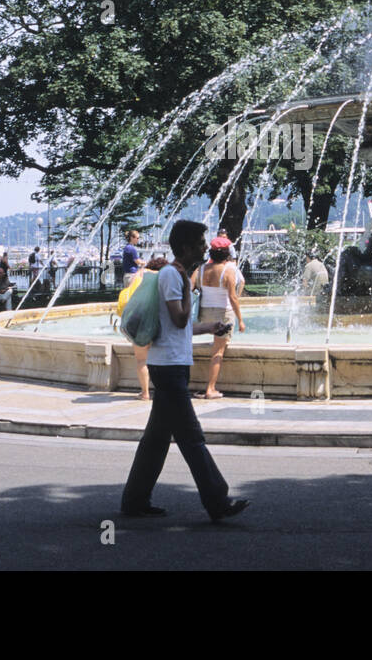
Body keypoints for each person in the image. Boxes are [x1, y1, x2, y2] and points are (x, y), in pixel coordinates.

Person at [120, 220, 249, 522]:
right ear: (188, 246)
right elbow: (179, 319)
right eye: (202, 243)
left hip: (172, 364)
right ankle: (217, 501)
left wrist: (209, 327)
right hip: (168, 369)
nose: (206, 247)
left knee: (156, 439)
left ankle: (134, 500)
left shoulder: (176, 275)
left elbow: (181, 327)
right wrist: (189, 288)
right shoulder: (171, 275)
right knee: (192, 437)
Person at [194, 238, 245, 399]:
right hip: (223, 313)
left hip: (204, 313)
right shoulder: (228, 270)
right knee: (218, 352)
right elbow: (233, 297)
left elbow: (190, 288)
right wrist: (241, 320)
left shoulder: (201, 268)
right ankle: (210, 389)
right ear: (227, 253)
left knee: (216, 346)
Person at [131, 256, 170, 400]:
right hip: (160, 320)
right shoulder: (165, 277)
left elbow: (130, 293)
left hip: (140, 320)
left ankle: (145, 393)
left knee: (141, 360)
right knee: (163, 359)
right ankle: (163, 390)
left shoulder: (140, 275)